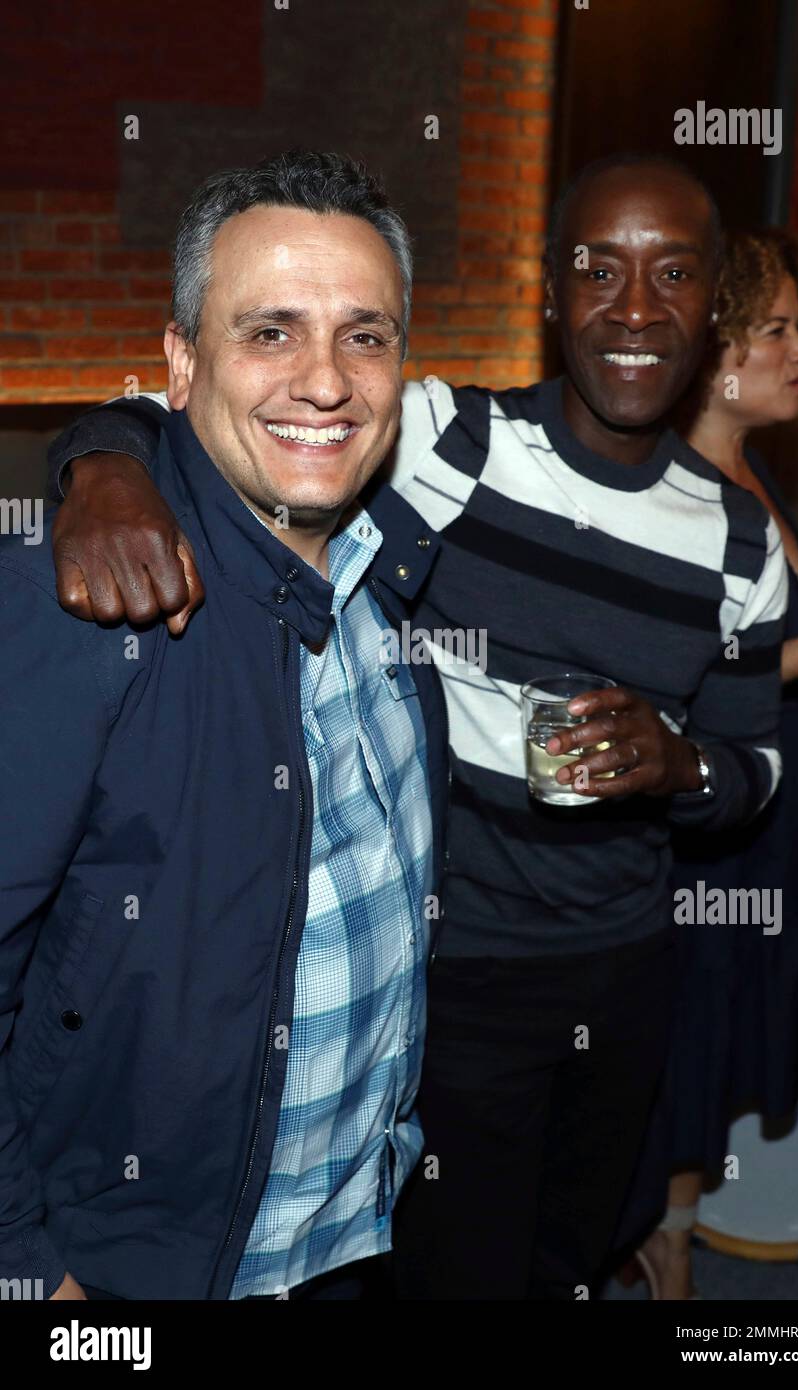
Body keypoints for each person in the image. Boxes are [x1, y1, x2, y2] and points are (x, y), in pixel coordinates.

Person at [43, 154, 786, 1300]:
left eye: (673, 274)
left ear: (709, 303)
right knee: (456, 1265)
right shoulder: (449, 441)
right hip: (455, 971)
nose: (633, 308)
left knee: (575, 1251)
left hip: (623, 965)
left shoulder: (742, 543)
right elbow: (225, 407)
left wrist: (680, 761)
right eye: (597, 270)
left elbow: (761, 766)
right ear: (548, 294)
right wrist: (100, 467)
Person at [0, 151, 450, 1301]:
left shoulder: (393, 575)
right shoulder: (85, 605)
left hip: (347, 1240)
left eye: (364, 335)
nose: (324, 381)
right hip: (132, 1275)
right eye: (268, 334)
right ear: (182, 359)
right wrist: (29, 1267)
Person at [622, 228, 798, 1300]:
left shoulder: (745, 470)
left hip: (759, 807)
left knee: (714, 1055)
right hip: (703, 827)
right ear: (715, 353)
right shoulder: (671, 489)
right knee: (682, 1050)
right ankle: (654, 1248)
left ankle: (664, 1237)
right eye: (775, 328)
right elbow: (674, 680)